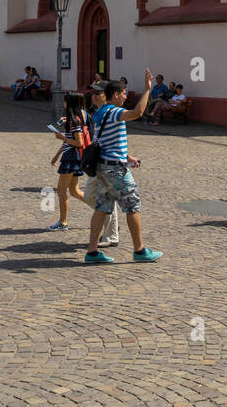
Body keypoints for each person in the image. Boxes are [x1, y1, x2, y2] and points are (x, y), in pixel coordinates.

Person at [85, 70, 161, 265]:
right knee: (133, 206)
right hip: (116, 170)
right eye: (125, 93)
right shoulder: (116, 112)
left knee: (102, 208)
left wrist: (127, 156)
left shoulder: (100, 111)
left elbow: (104, 140)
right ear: (116, 95)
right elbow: (138, 113)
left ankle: (92, 252)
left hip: (103, 166)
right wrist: (147, 90)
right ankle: (140, 250)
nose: (127, 96)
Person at [81, 84, 122, 248]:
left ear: (108, 95)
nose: (94, 96)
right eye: (93, 93)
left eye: (98, 93)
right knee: (90, 196)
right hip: (98, 161)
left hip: (108, 162)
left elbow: (116, 139)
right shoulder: (98, 112)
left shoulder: (111, 113)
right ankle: (111, 228)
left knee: (105, 199)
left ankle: (111, 235)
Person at [48, 92, 93, 230]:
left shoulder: (74, 121)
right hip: (71, 156)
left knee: (61, 191)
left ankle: (63, 222)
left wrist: (62, 138)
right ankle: (101, 210)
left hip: (72, 158)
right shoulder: (73, 119)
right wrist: (57, 155)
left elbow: (78, 142)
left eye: (65, 101)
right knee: (74, 191)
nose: (64, 104)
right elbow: (71, 141)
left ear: (70, 103)